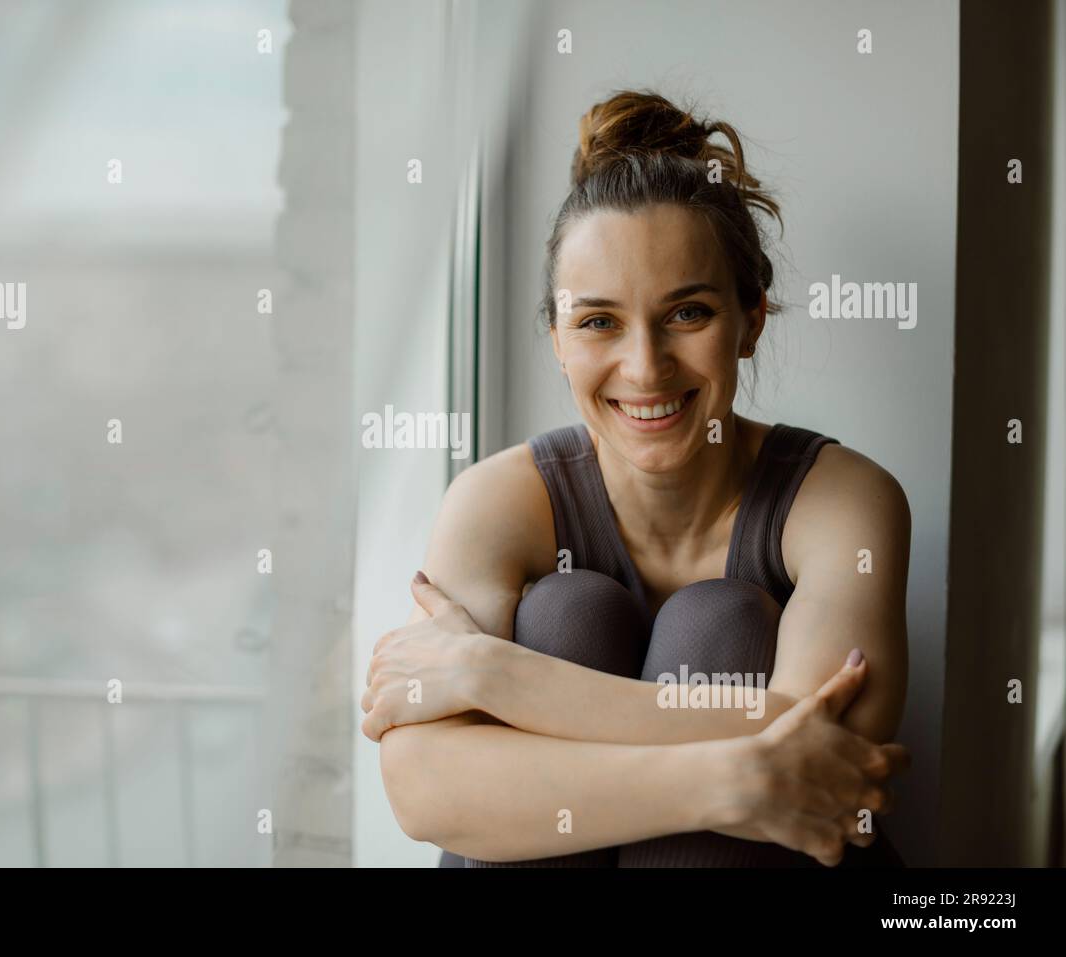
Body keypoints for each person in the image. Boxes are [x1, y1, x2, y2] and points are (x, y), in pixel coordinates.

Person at [360, 90, 912, 867]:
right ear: (556, 337)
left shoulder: (843, 499)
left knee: (720, 623)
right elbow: (423, 788)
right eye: (598, 322)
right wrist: (729, 779)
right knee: (567, 610)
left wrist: (495, 676)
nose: (646, 367)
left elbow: (832, 761)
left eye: (687, 314)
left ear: (751, 317)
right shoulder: (498, 501)